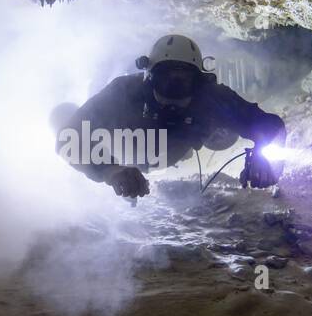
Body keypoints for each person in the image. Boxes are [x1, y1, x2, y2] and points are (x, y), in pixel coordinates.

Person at [56, 34, 286, 197]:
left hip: (174, 151)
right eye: (166, 79)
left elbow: (271, 127)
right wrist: (111, 171)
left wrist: (267, 162)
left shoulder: (212, 98)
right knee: (64, 119)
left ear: (199, 82)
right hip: (120, 150)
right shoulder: (125, 92)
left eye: (185, 81)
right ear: (149, 78)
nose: (175, 89)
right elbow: (68, 137)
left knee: (227, 132)